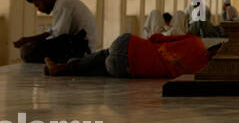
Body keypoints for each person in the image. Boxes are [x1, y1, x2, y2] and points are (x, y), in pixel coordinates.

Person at [44, 32, 217, 79]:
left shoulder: (195, 42)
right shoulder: (198, 71)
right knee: (106, 66)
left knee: (106, 53)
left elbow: (156, 38)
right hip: (125, 71)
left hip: (127, 48)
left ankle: (64, 66)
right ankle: (68, 68)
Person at [12, 0, 98, 63]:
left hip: (81, 48)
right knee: (29, 47)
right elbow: (53, 31)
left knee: (27, 51)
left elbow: (59, 35)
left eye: (38, 5)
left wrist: (35, 42)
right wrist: (29, 39)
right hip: (78, 44)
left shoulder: (63, 5)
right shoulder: (62, 2)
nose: (39, 9)